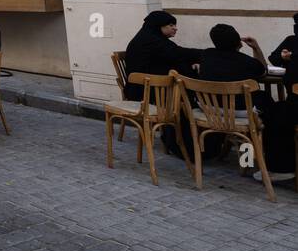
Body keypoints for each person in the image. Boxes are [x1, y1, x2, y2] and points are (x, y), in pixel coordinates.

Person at [162, 24, 269, 167]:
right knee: (268, 107)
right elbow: (263, 72)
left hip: (208, 109)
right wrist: (255, 47)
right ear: (238, 42)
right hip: (240, 113)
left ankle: (238, 154)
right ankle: (249, 162)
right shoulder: (248, 62)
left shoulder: (206, 55)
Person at [123, 10, 200, 102]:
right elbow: (179, 53)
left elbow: (175, 54)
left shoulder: (149, 37)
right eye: (171, 25)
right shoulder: (151, 40)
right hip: (144, 91)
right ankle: (187, 111)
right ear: (158, 26)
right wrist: (207, 55)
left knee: (182, 67)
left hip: (143, 86)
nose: (175, 28)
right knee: (184, 74)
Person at [263, 13, 298, 181]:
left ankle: (281, 168)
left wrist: (290, 57)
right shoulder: (291, 40)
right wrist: (284, 57)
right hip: (293, 100)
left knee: (275, 114)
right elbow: (274, 57)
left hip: (294, 104)